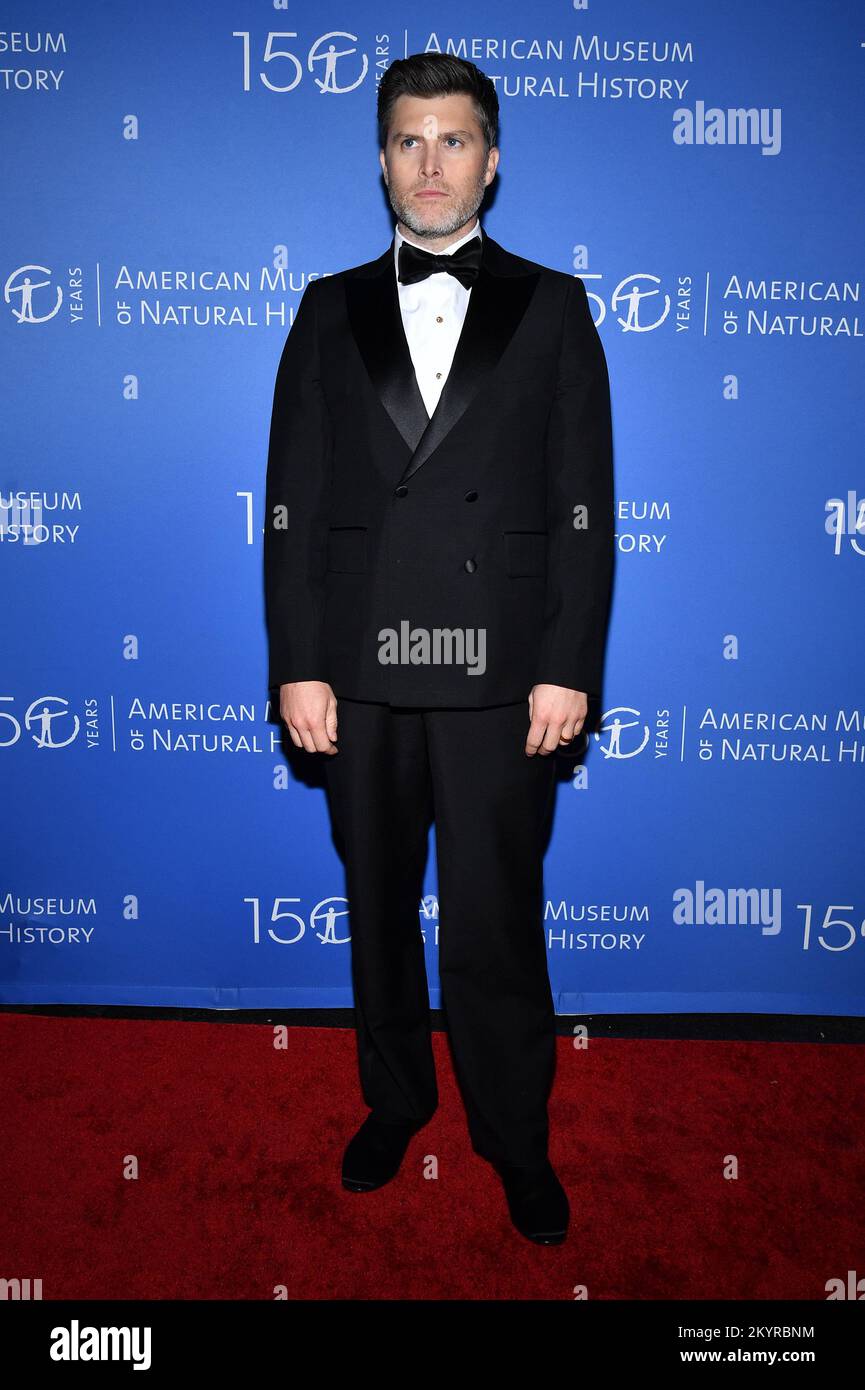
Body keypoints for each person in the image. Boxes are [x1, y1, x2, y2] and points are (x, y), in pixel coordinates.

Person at [264, 52, 614, 1245]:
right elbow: (294, 500)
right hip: (357, 676)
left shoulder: (556, 305)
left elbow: (583, 503)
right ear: (380, 159)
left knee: (494, 917)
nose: (429, 162)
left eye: (453, 139)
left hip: (501, 677)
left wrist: (568, 662)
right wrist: (297, 662)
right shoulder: (325, 306)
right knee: (375, 908)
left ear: (492, 158)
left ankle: (514, 1134)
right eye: (408, 140)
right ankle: (393, 1099)